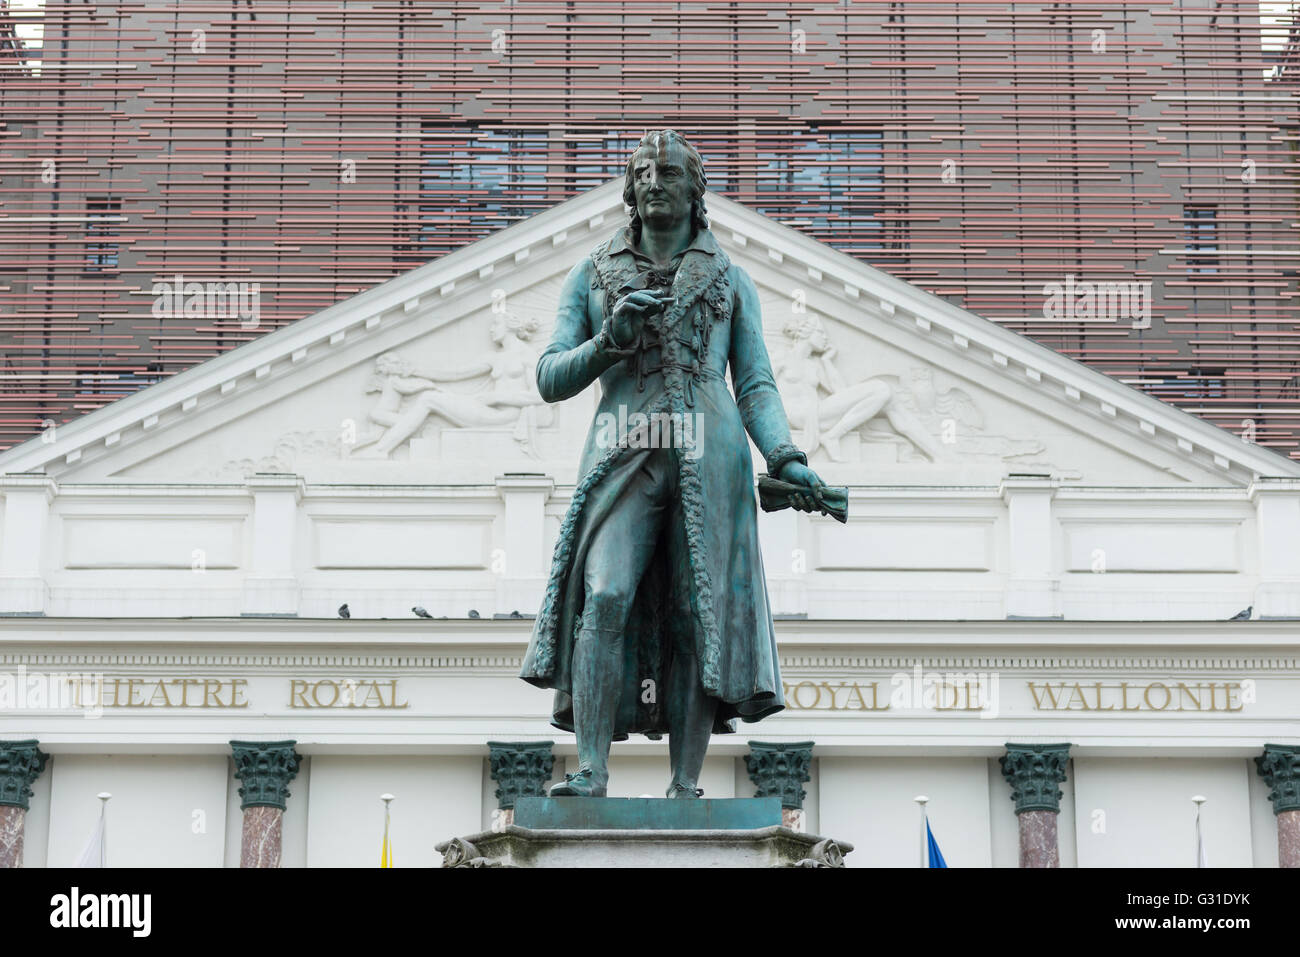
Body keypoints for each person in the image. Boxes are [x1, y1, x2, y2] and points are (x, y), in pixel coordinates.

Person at [519, 130, 828, 798]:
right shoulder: (592, 273)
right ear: (630, 191)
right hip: (622, 452)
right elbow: (548, 376)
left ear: (695, 190)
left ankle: (686, 784)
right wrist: (610, 341)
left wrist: (786, 457)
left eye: (668, 171)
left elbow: (756, 384)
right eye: (642, 172)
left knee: (700, 610)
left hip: (710, 457)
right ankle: (593, 770)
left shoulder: (731, 278)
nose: (654, 180)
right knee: (603, 593)